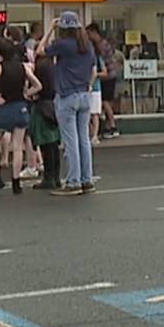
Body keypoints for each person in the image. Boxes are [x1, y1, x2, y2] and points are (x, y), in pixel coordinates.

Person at [42, 11, 97, 196]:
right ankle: (86, 179)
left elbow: (41, 50)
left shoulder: (63, 45)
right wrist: (88, 86)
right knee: (84, 140)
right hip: (84, 95)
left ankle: (73, 182)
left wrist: (50, 28)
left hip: (67, 95)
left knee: (70, 142)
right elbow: (93, 70)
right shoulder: (87, 46)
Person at [0, 39, 42, 195]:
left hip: (4, 108)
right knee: (18, 147)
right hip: (21, 107)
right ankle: (16, 182)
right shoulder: (22, 67)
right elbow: (38, 85)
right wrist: (27, 94)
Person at [29, 53, 62, 190]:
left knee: (45, 145)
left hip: (42, 107)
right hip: (54, 106)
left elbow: (37, 87)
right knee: (53, 144)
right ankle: (56, 177)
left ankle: (48, 178)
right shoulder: (54, 68)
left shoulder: (40, 69)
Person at [86, 23, 120, 139]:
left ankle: (112, 126)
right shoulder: (102, 44)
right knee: (105, 103)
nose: (88, 36)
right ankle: (108, 125)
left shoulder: (101, 45)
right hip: (107, 77)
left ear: (95, 32)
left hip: (108, 77)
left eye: (89, 33)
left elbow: (100, 63)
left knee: (105, 102)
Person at [89, 54, 106, 144]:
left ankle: (95, 135)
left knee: (95, 113)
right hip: (84, 87)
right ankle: (91, 133)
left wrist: (95, 75)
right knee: (86, 114)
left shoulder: (97, 58)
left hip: (95, 88)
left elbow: (104, 72)